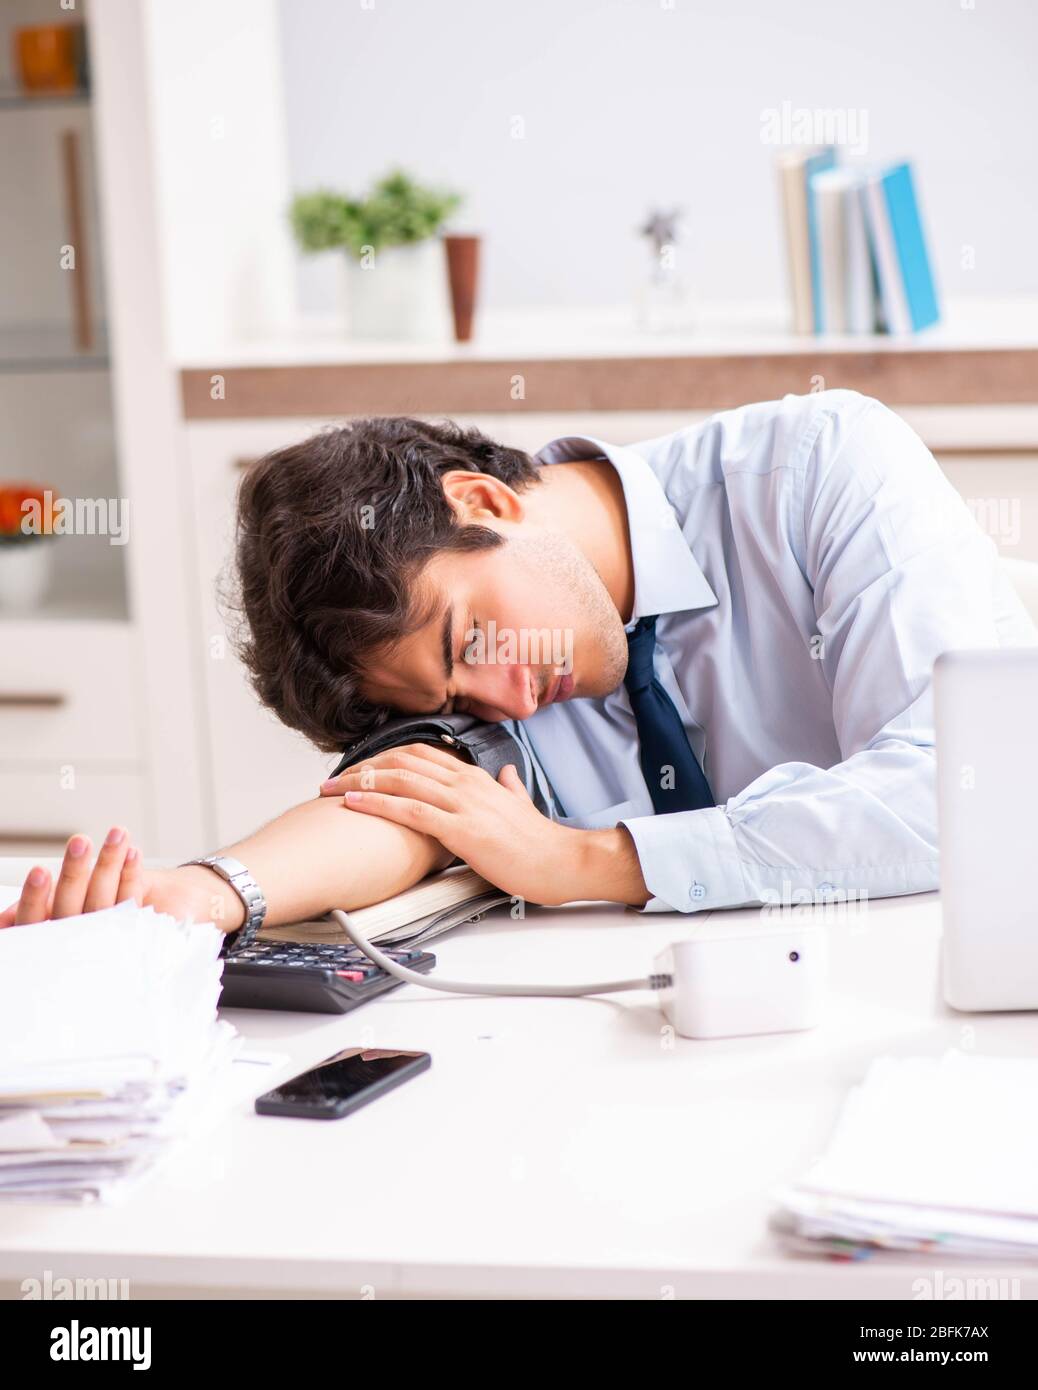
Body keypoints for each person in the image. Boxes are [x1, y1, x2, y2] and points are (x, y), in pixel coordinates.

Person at [4, 389, 1035, 933]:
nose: (503, 699)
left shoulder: (818, 468)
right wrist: (207, 890)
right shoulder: (502, 697)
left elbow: (959, 793)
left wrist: (591, 862)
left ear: (485, 502)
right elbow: (404, 804)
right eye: (455, 693)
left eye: (469, 642)